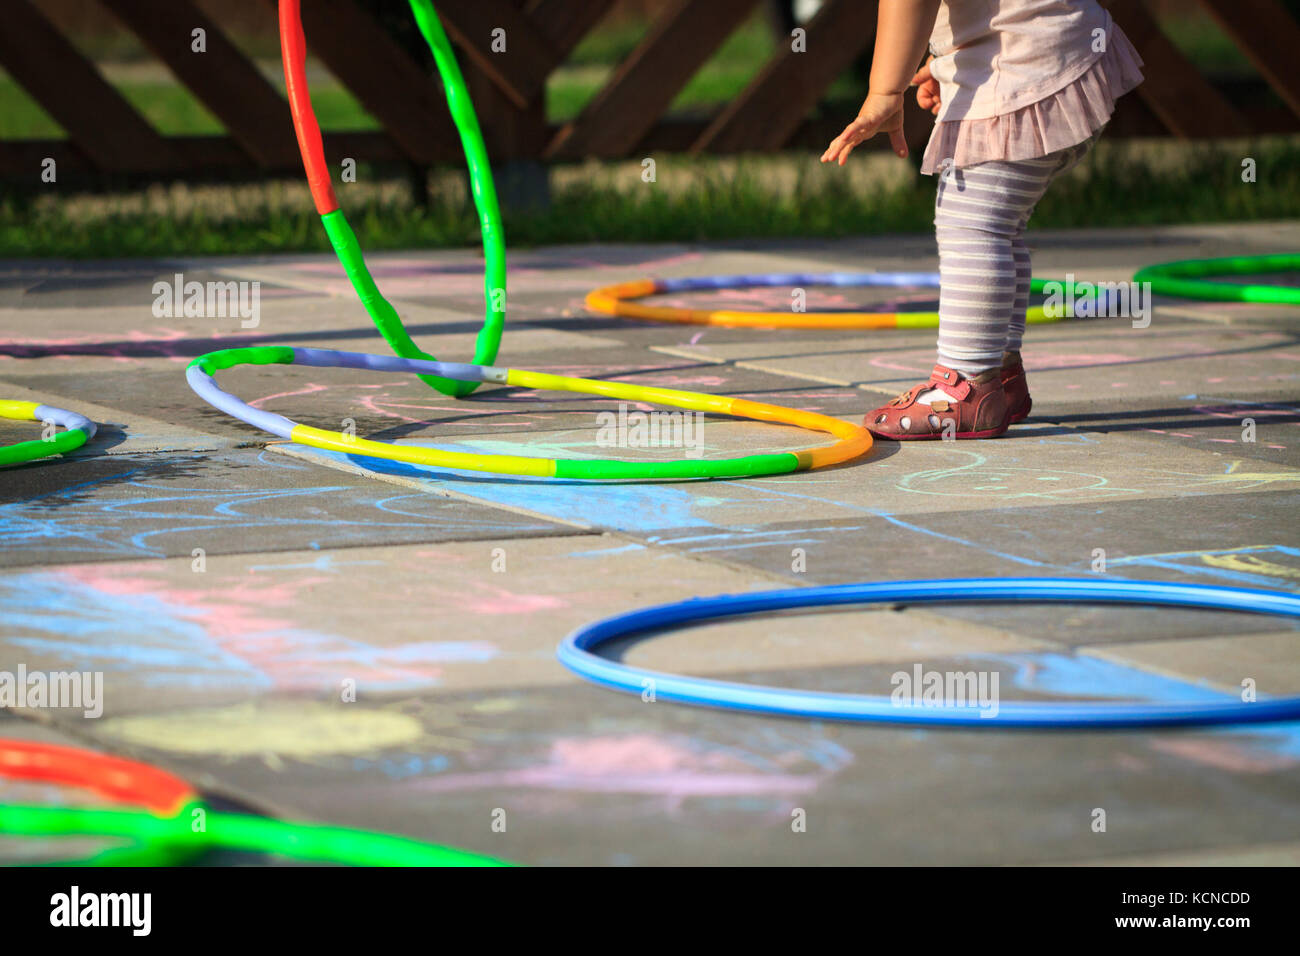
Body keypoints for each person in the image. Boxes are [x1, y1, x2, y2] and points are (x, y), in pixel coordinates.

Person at [822, 0, 1143, 439]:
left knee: (973, 225)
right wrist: (950, 58)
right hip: (1062, 58)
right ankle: (1000, 377)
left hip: (1025, 72)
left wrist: (885, 91)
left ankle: (966, 385)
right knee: (1001, 225)